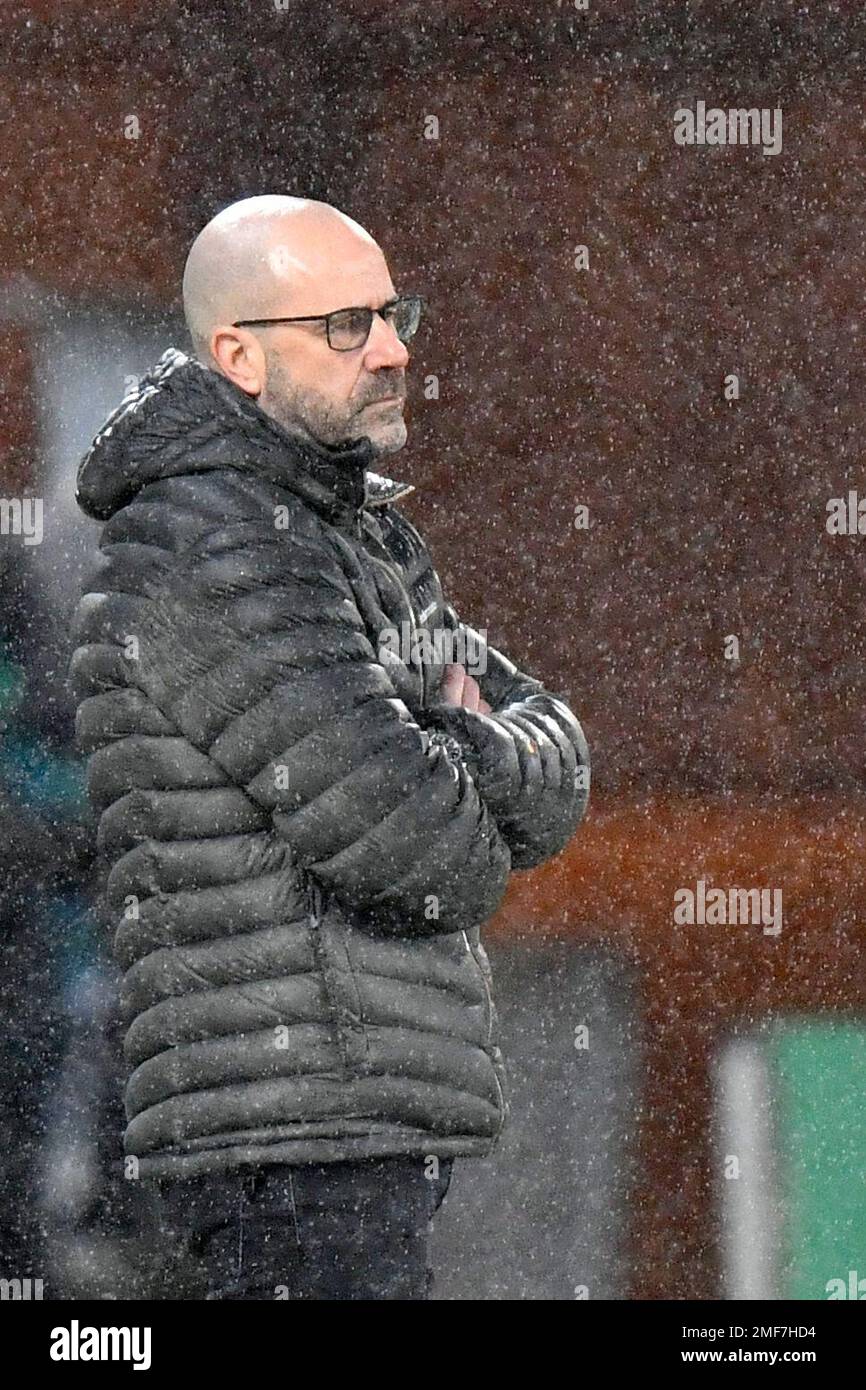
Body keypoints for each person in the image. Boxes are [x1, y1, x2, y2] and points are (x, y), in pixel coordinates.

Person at [67, 194, 591, 1300]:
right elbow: (419, 845)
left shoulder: (337, 525)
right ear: (237, 356)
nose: (392, 350)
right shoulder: (216, 541)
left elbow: (559, 757)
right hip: (287, 1142)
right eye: (346, 325)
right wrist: (460, 749)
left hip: (338, 1125)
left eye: (393, 315)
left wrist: (447, 737)